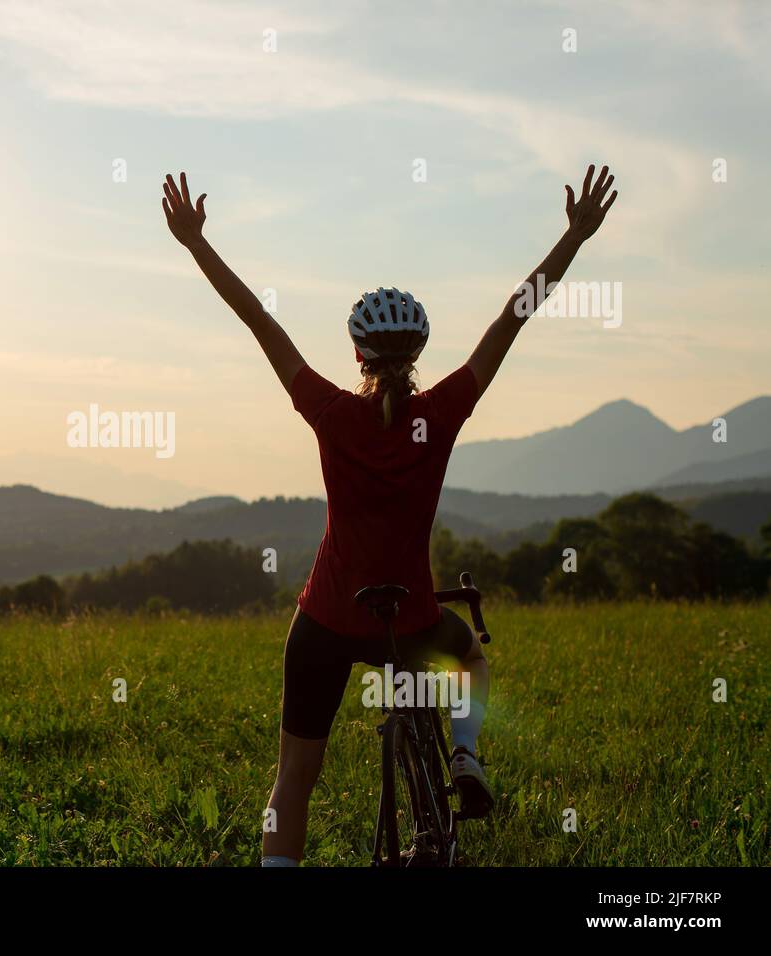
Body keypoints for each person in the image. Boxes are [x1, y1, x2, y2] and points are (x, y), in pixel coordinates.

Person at [161, 165, 618, 866]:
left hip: (325, 622)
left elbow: (259, 318)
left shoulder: (334, 413)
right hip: (407, 623)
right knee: (468, 656)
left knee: (292, 783)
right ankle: (464, 755)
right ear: (418, 354)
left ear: (357, 352)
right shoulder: (440, 413)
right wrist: (573, 237)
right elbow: (510, 319)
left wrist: (195, 245)